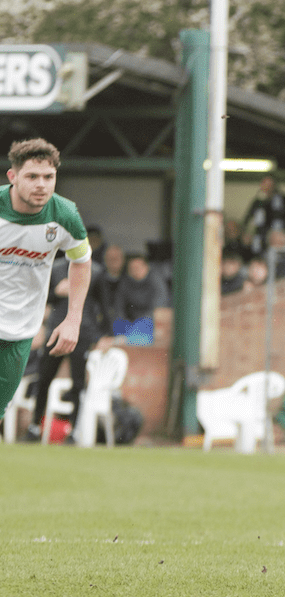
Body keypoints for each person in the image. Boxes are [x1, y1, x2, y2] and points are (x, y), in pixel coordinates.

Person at [0, 139, 92, 422]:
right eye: (32, 177)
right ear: (13, 176)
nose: (41, 185)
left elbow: (82, 261)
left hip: (20, 328)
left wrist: (73, 319)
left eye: (48, 177)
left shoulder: (65, 215)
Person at [24, 252, 112, 443]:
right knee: (44, 378)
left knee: (78, 383)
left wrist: (105, 335)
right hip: (55, 331)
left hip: (82, 332)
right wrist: (57, 292)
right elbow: (40, 298)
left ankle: (73, 431)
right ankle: (35, 427)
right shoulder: (55, 268)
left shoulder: (96, 271)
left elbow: (104, 306)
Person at [241, 174, 285, 258]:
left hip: (278, 236)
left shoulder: (283, 199)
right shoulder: (258, 202)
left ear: (275, 185)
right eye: (264, 183)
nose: (267, 186)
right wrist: (247, 233)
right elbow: (247, 219)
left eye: (269, 184)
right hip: (261, 237)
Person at [113, 252, 169, 324]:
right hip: (131, 322)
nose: (136, 270)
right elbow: (119, 307)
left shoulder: (156, 280)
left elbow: (158, 307)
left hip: (154, 322)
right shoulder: (125, 283)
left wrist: (139, 324)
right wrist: (121, 322)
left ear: (147, 267)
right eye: (132, 268)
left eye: (139, 267)